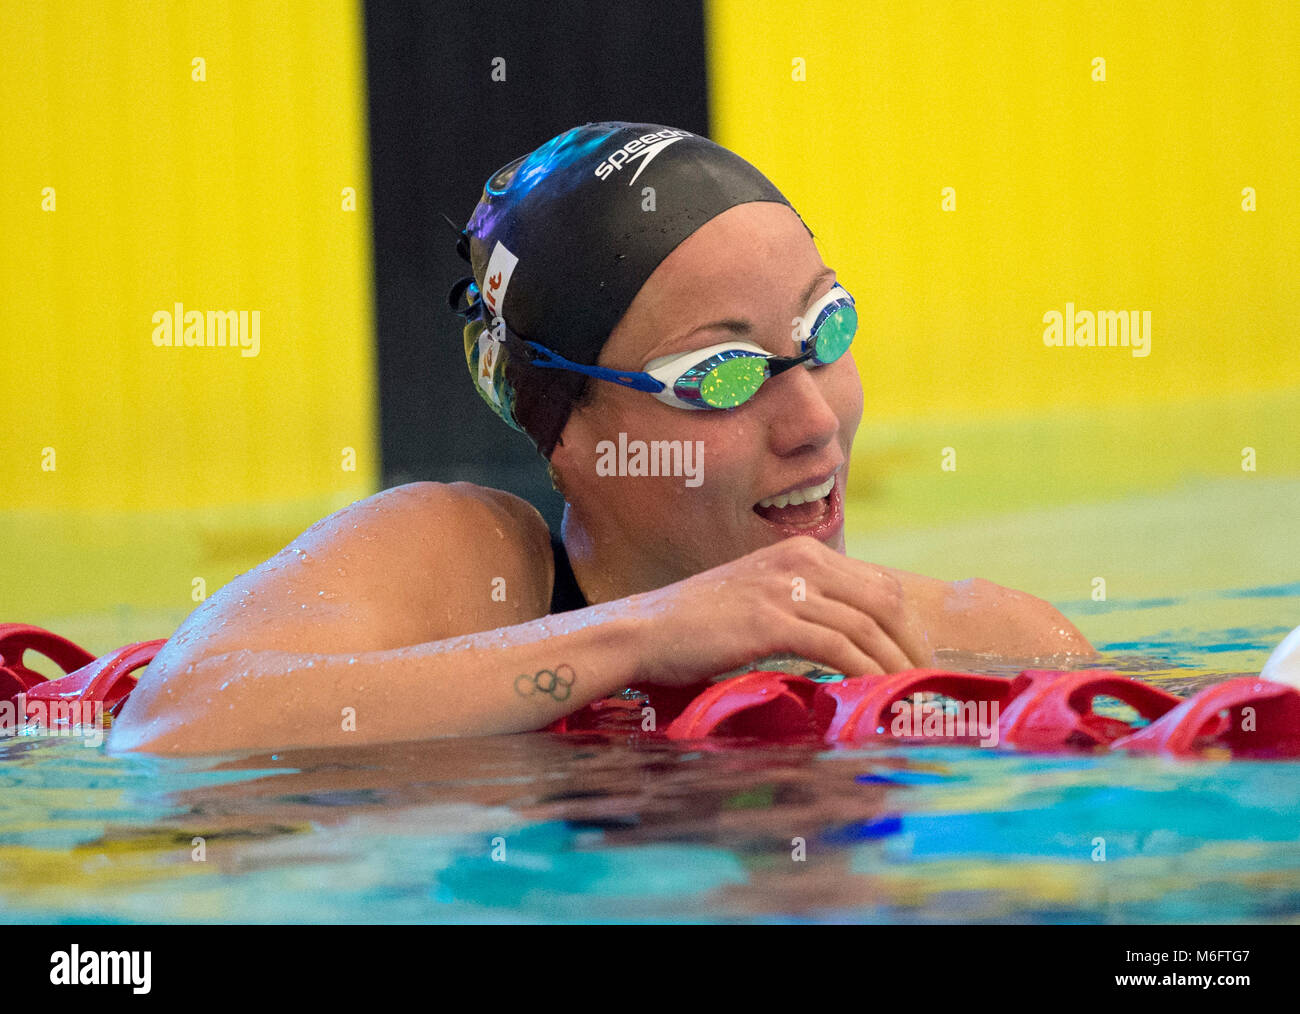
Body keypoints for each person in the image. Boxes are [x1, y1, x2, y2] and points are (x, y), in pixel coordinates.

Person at [110, 121, 1094, 755]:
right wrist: (650, 633)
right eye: (720, 376)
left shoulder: (986, 642)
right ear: (566, 435)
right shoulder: (469, 568)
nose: (812, 424)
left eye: (823, 330)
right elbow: (175, 726)